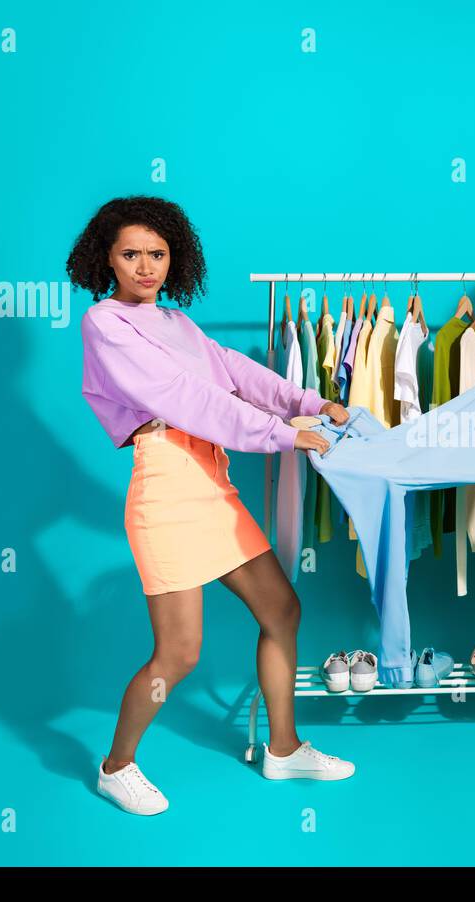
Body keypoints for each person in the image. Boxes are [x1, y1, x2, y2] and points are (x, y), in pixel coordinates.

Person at [66, 195, 355, 815]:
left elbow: (235, 371)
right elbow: (184, 398)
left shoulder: (176, 322)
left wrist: (310, 404)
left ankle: (284, 749)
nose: (146, 267)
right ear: (106, 258)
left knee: (282, 609)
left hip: (211, 479)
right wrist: (281, 434)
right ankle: (116, 767)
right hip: (168, 486)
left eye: (158, 254)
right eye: (131, 255)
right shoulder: (104, 323)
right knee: (180, 652)